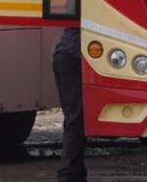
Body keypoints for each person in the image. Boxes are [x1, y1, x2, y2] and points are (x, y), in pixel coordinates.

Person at [53, 24, 86, 182]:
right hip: (76, 55)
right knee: (76, 119)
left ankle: (76, 172)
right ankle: (69, 174)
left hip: (63, 54)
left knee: (73, 118)